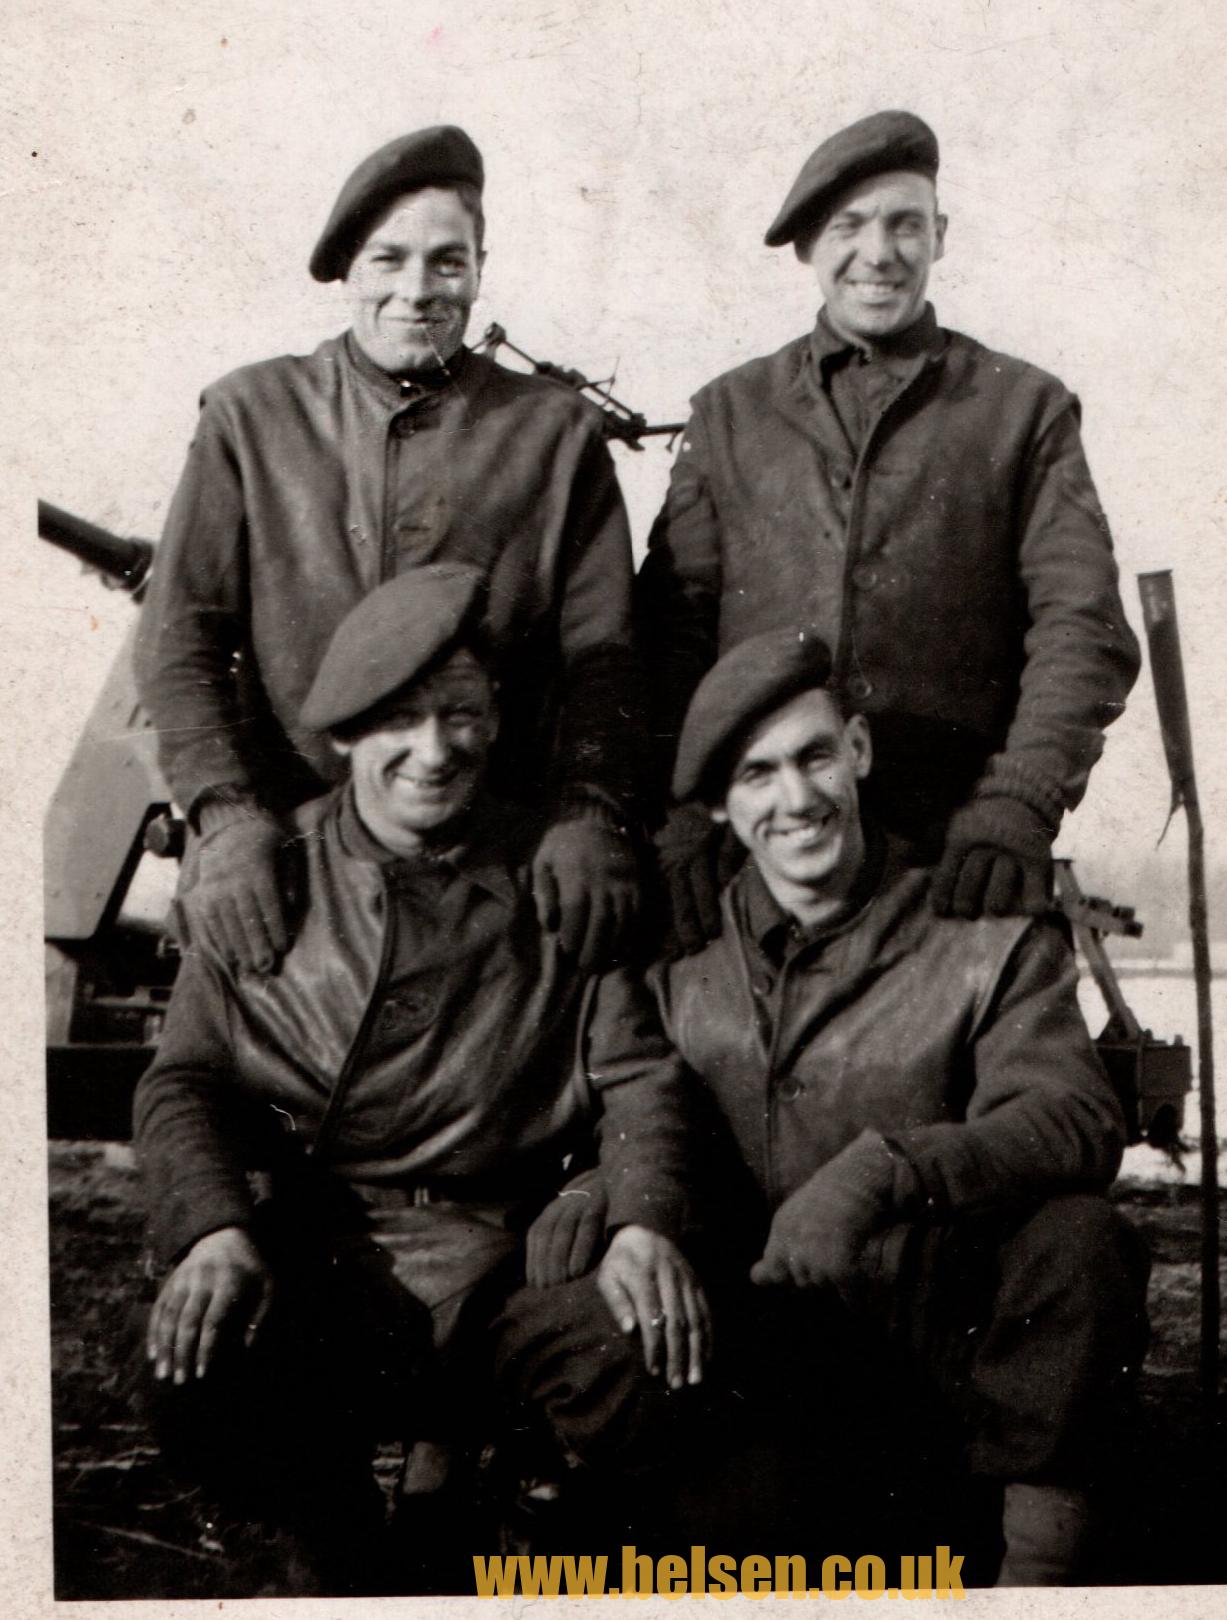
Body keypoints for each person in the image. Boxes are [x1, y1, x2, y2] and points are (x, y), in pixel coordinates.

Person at [133, 565, 708, 1596]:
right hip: (326, 1255)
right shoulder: (270, 874)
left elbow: (640, 1079)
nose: (435, 750)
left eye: (462, 712)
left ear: (497, 719)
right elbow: (185, 1084)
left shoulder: (558, 875)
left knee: (650, 1352)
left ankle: (525, 1524)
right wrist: (213, 1229)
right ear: (345, 734)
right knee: (199, 1371)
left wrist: (640, 1222)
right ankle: (338, 1537)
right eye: (400, 719)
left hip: (510, 1261)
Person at [647, 628, 1149, 1586]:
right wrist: (610, 1191)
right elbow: (636, 1108)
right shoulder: (681, 964)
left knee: (1081, 1242)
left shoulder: (980, 934)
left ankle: (1037, 1579)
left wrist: (889, 1170)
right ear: (720, 806)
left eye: (815, 757)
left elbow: (1074, 1118)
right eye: (756, 775)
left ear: (861, 753)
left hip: (954, 1364)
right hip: (769, 1362)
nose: (796, 800)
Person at [135, 125, 645, 978]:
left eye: (448, 262)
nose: (418, 290)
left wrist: (588, 813)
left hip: (496, 866)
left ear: (481, 269)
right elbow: (177, 638)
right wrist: (224, 818)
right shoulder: (250, 418)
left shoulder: (555, 435)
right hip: (291, 863)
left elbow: (605, 654)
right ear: (347, 271)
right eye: (388, 260)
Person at [639, 110, 1140, 949]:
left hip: (955, 867)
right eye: (849, 227)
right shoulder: (728, 415)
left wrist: (1018, 799)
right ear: (807, 246)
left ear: (940, 236)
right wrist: (679, 808)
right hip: (756, 857)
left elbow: (1080, 624)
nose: (879, 253)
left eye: (905, 224)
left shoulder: (1023, 411)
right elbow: (669, 636)